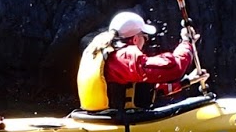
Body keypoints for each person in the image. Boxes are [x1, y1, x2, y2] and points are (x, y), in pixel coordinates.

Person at [75, 11, 207, 113]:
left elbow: (148, 88)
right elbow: (173, 68)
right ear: (135, 39)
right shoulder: (124, 57)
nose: (146, 42)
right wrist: (187, 43)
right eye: (145, 37)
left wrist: (187, 81)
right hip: (118, 123)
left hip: (98, 117)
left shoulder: (98, 49)